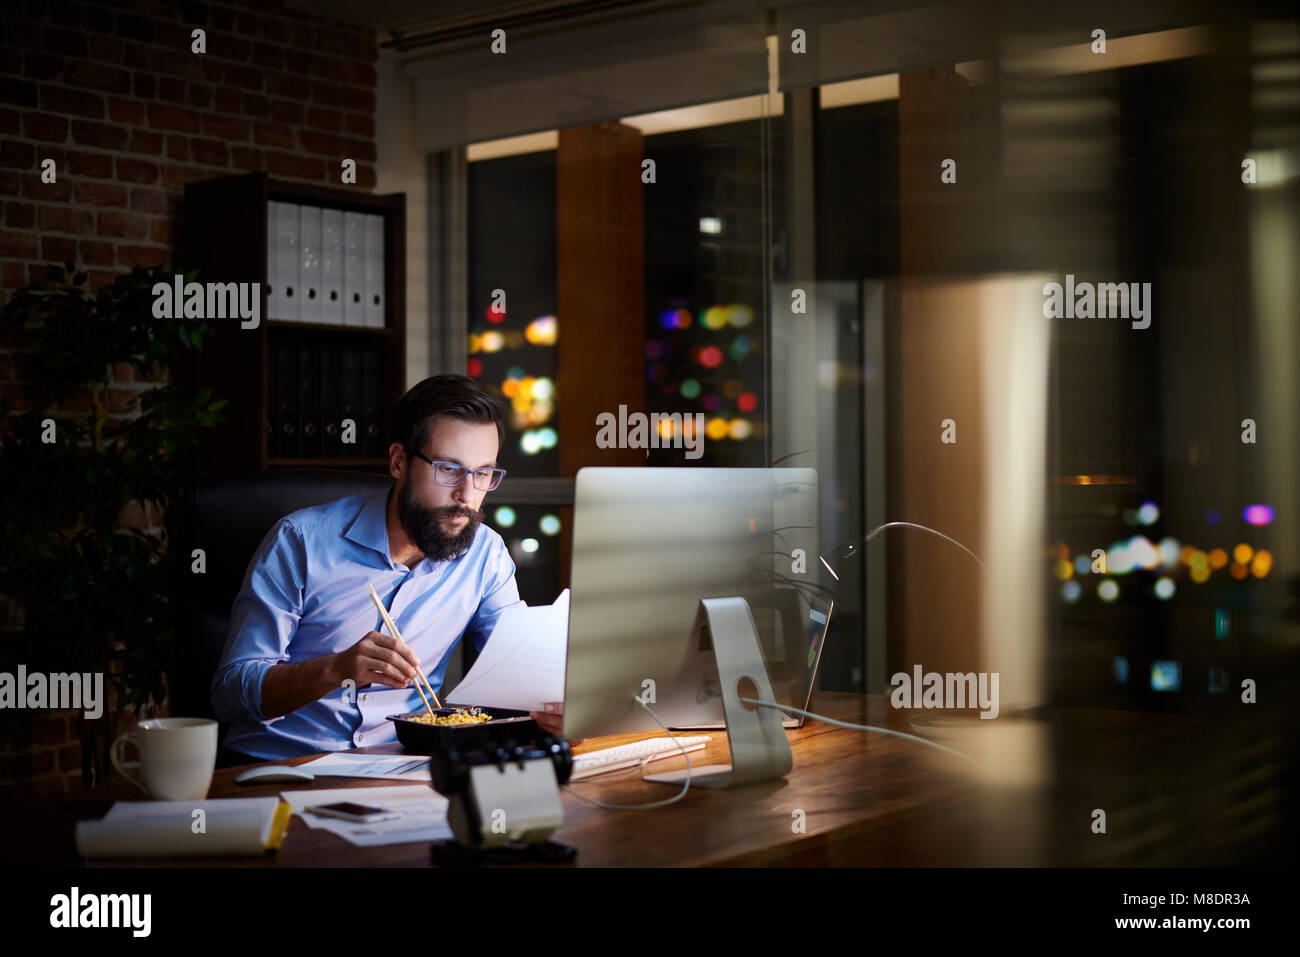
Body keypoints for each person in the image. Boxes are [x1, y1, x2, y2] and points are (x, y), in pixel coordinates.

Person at [211, 374, 563, 763]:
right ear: (398, 462)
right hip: (282, 767)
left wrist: (554, 702)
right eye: (448, 469)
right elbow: (229, 693)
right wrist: (336, 669)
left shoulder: (485, 555)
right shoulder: (300, 541)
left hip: (400, 768)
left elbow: (516, 667)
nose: (467, 495)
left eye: (483, 474)